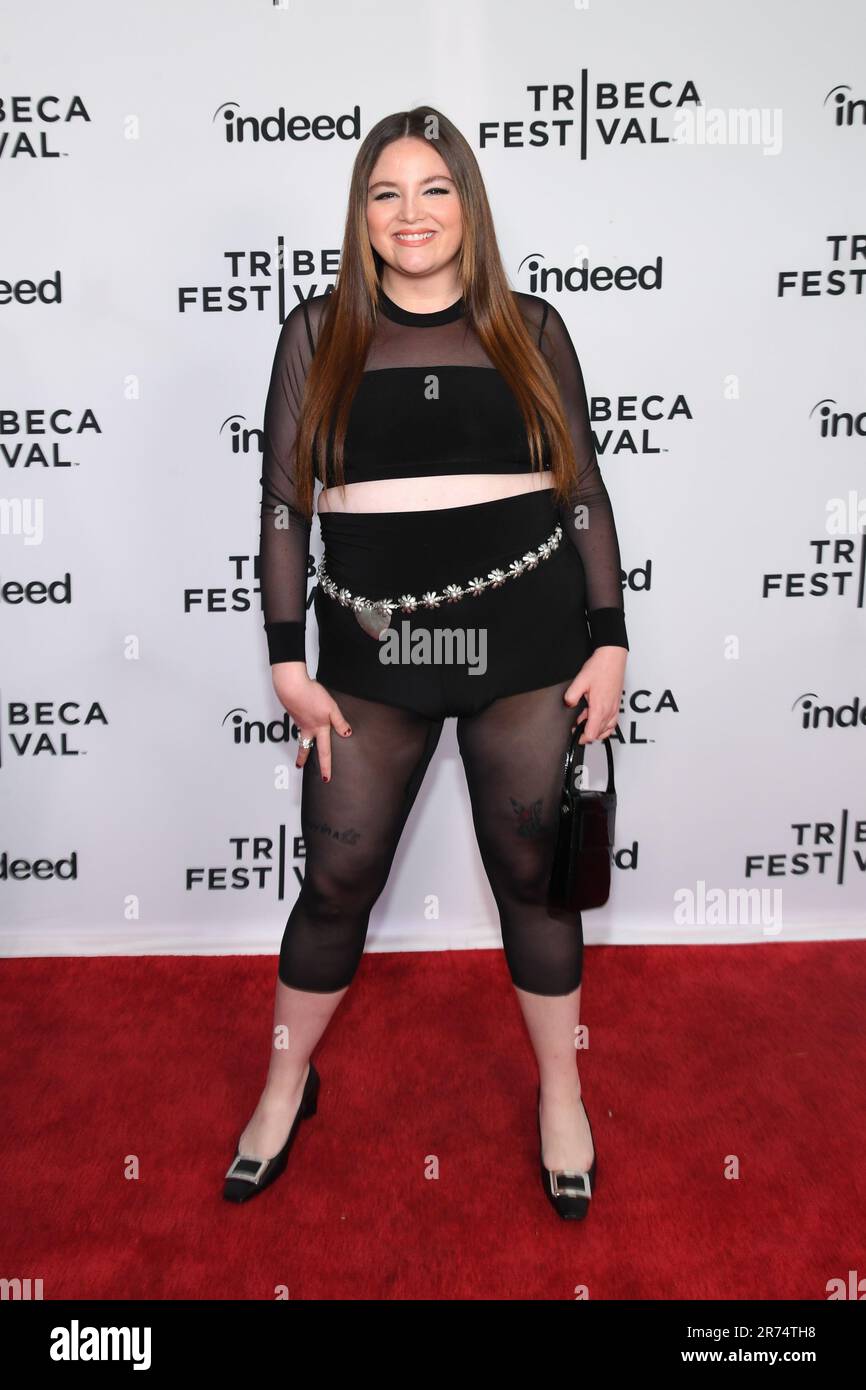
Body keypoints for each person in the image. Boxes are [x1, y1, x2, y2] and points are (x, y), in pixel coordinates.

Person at [223, 107, 629, 1220]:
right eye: (386, 193)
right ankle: (283, 1083)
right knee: (336, 882)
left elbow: (581, 494)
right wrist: (283, 656)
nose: (411, 214)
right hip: (368, 652)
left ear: (468, 206)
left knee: (532, 887)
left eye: (434, 189)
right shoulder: (317, 334)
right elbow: (279, 510)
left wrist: (608, 638)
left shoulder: (529, 330)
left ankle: (560, 1095)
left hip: (529, 651)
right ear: (360, 215)